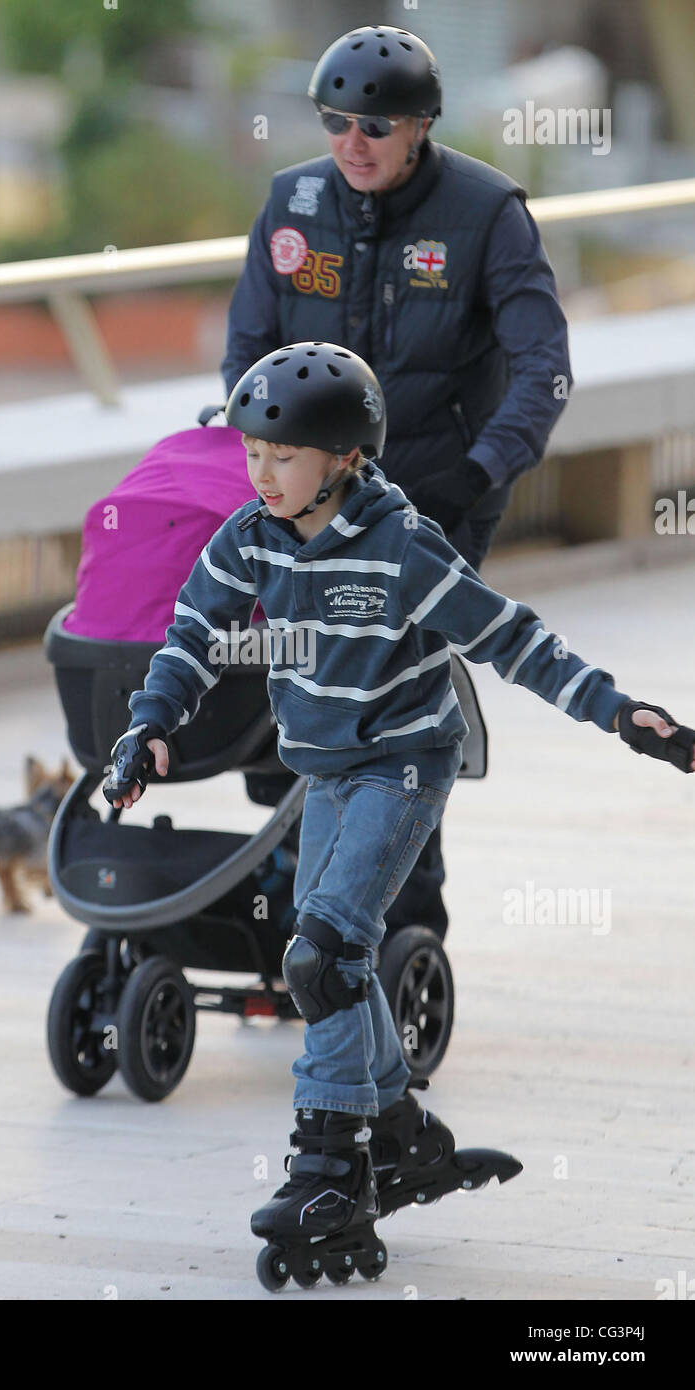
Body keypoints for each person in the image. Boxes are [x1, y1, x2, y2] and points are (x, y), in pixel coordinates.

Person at [103, 343, 694, 1289]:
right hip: (326, 771)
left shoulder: (400, 546)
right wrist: (151, 728)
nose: (260, 472)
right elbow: (192, 633)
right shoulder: (251, 532)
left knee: (322, 953)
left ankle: (330, 1167)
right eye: (253, 451)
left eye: (282, 456)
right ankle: (407, 1133)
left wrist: (618, 710)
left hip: (406, 765)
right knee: (329, 954)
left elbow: (512, 638)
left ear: (343, 459)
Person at [221, 24, 573, 936]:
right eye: (336, 122)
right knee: (299, 683)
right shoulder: (292, 203)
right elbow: (248, 355)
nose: (352, 144)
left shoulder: (487, 212)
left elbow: (544, 370)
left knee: (394, 698)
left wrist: (474, 473)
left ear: (419, 125)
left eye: (375, 127)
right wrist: (270, 460)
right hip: (307, 504)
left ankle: (404, 916)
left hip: (434, 496)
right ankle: (309, 891)